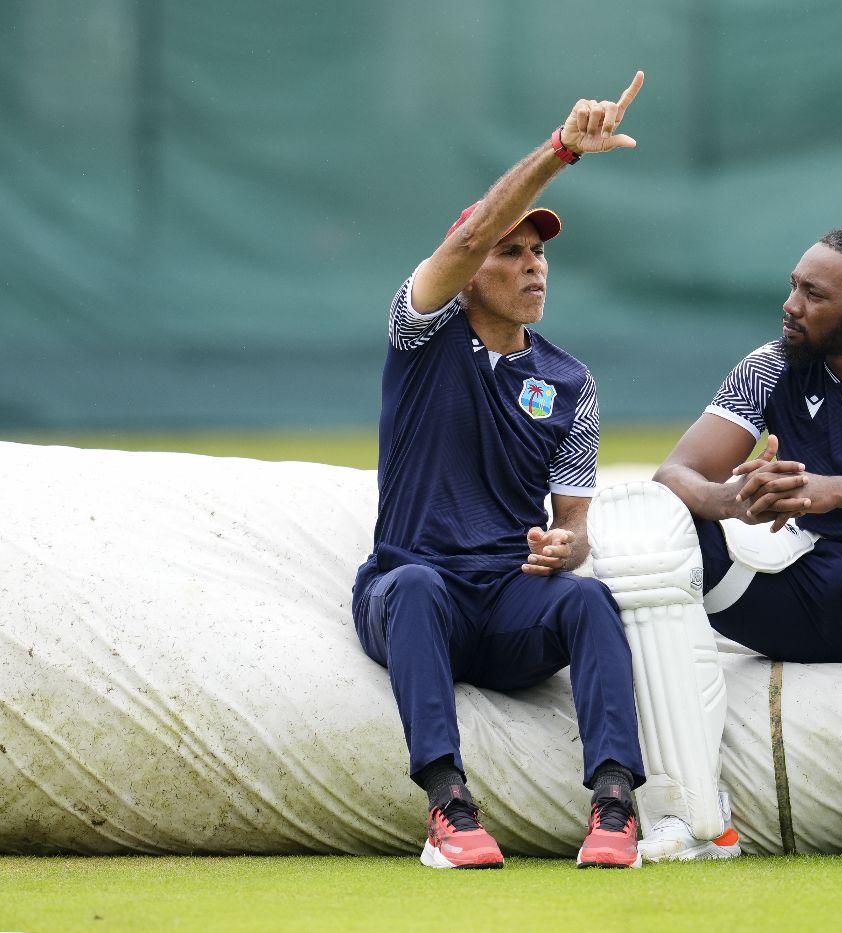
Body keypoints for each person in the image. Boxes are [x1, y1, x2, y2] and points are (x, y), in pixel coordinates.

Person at [589, 227, 842, 863]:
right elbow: (675, 475)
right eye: (793, 286)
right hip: (804, 592)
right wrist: (738, 499)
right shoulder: (771, 367)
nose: (791, 304)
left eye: (813, 294)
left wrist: (840, 491)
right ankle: (693, 812)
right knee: (652, 524)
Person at [352, 71, 649, 870]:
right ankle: (448, 804)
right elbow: (465, 236)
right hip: (422, 591)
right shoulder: (419, 336)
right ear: (475, 263)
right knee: (411, 585)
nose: (533, 266)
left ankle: (616, 803)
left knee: (588, 601)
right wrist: (561, 151)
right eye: (511, 251)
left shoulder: (571, 382)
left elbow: (576, 527)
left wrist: (566, 549)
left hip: (509, 603)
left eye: (540, 252)